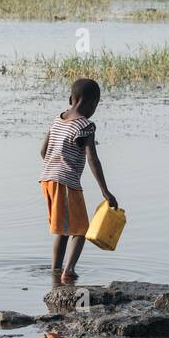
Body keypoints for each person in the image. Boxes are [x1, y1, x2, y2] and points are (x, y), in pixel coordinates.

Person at [39, 78, 117, 283]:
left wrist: (53, 167)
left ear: (70, 99)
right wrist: (105, 191)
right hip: (66, 182)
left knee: (63, 230)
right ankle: (69, 271)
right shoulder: (86, 126)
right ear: (94, 103)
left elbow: (42, 151)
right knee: (82, 230)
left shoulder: (58, 120)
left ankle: (56, 271)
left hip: (47, 180)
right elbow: (92, 159)